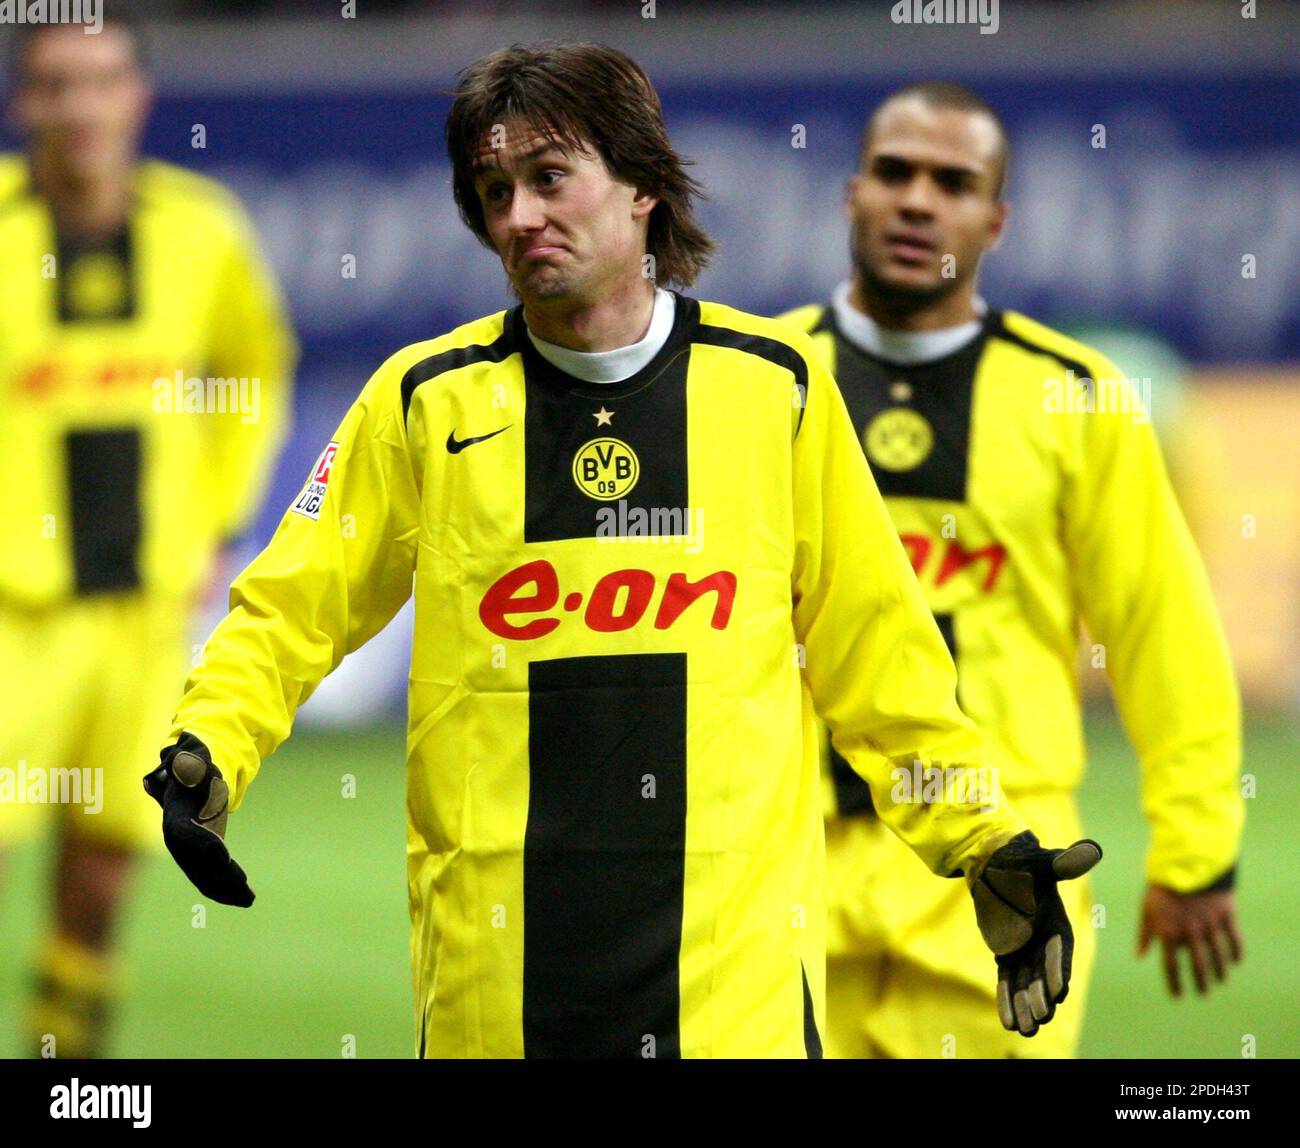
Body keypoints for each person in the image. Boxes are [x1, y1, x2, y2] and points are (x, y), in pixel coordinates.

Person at [145, 44, 1096, 1059]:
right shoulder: (423, 401)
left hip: (735, 998)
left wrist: (981, 835)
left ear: (641, 184)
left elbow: (882, 663)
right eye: (493, 189)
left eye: (549, 177)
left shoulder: (772, 388)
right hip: (492, 988)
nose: (517, 215)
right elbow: (291, 608)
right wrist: (215, 744)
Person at [781, 81, 1242, 1059]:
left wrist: (1195, 848)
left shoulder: (1074, 397)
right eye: (894, 172)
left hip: (1002, 876)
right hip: (785, 868)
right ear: (850, 192)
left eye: (951, 182)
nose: (916, 201)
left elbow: (1159, 623)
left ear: (993, 220)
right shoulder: (758, 379)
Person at [0, 16, 297, 1057]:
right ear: (23, 103)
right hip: (11, 611)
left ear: (138, 96)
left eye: (101, 82)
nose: (79, 107)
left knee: (102, 866)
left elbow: (254, 371)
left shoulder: (200, 230)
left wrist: (220, 517)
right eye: (54, 85)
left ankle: (60, 1062)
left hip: (140, 606)